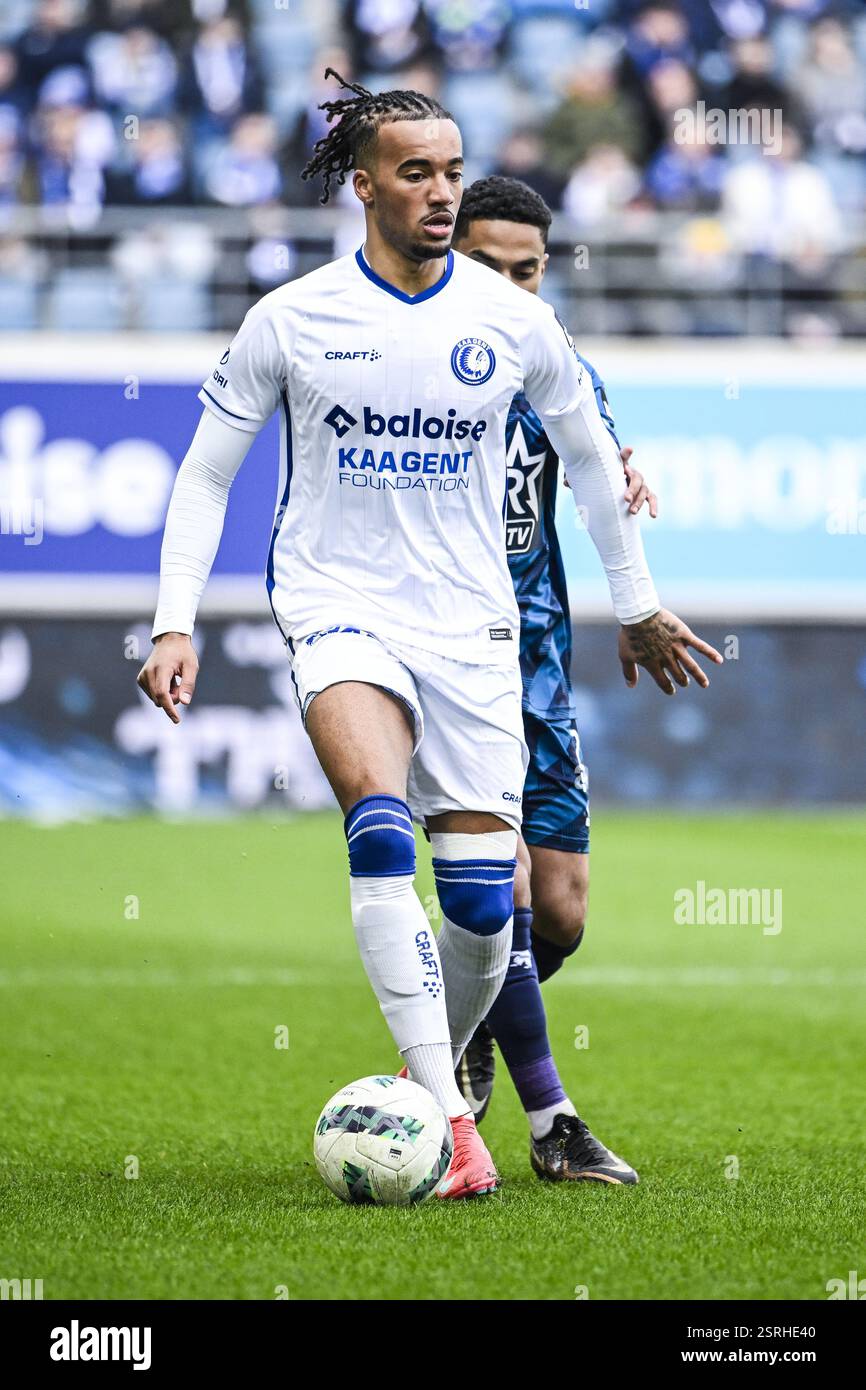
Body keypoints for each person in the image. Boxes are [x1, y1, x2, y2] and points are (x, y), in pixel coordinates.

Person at [137, 70, 721, 1199]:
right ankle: (454, 1124)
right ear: (364, 187)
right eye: (416, 173)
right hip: (339, 605)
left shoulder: (515, 323)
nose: (442, 191)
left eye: (453, 170)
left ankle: (433, 1077)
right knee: (376, 824)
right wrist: (173, 623)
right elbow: (206, 474)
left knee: (484, 907)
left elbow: (593, 463)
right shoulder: (292, 318)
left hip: (471, 628)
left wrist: (637, 601)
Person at [452, 175, 658, 1182]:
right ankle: (553, 1125)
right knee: (509, 888)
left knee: (563, 911)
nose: (507, 288)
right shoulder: (412, 364)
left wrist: (621, 487)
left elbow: (596, 472)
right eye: (485, 266)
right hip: (445, 654)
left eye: (525, 271)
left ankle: (470, 1020)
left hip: (535, 656)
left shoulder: (558, 363)